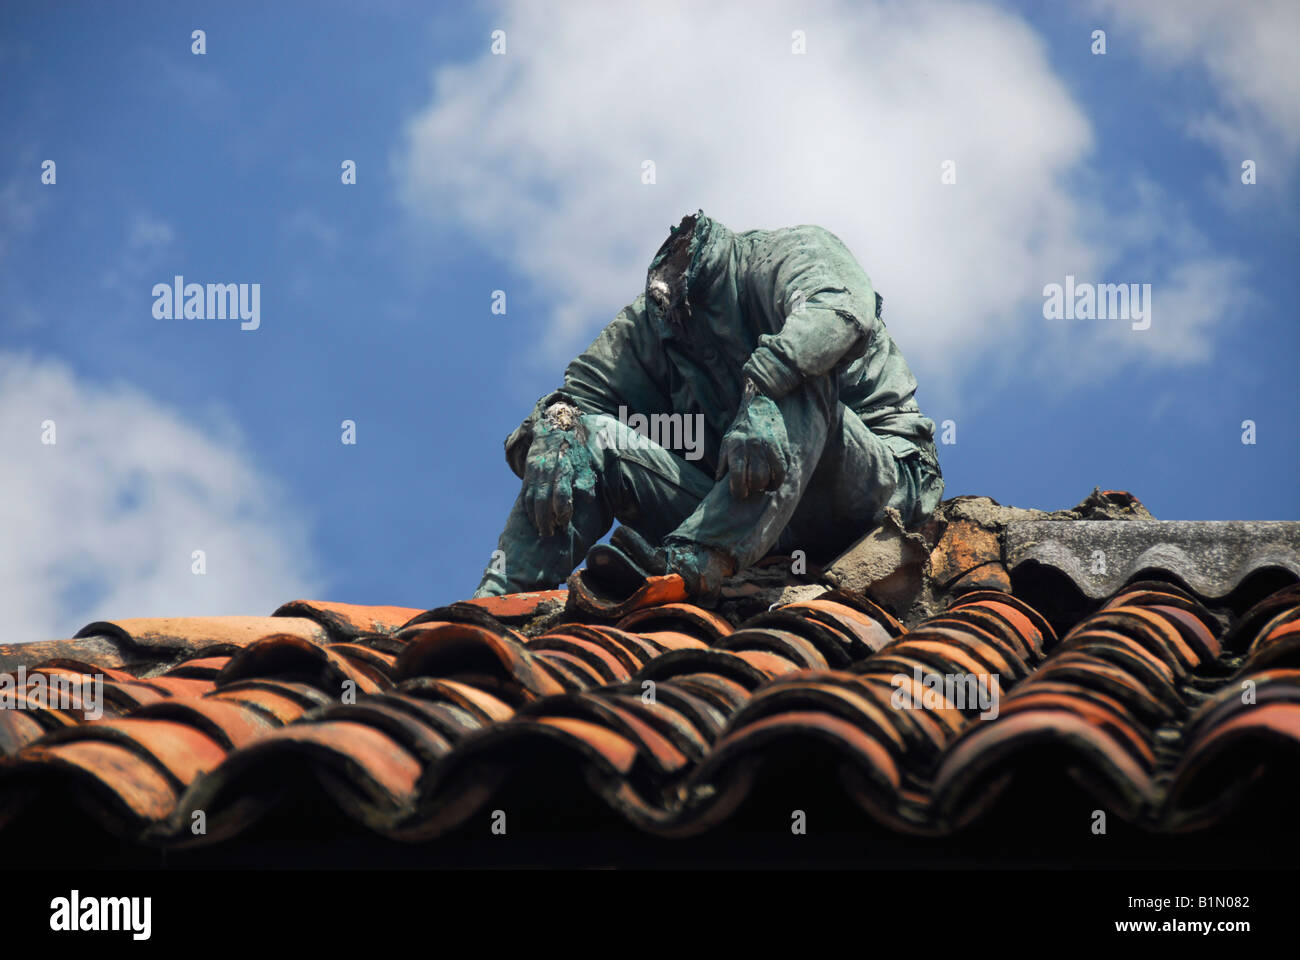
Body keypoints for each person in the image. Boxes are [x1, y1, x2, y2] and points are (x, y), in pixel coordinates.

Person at [473, 211, 943, 598]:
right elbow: (578, 397)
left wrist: (764, 389)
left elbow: (839, 309)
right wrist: (555, 428)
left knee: (805, 375)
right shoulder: (656, 320)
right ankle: (501, 602)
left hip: (874, 486)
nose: (690, 326)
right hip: (744, 503)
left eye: (702, 311)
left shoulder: (783, 255)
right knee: (582, 438)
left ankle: (693, 562)